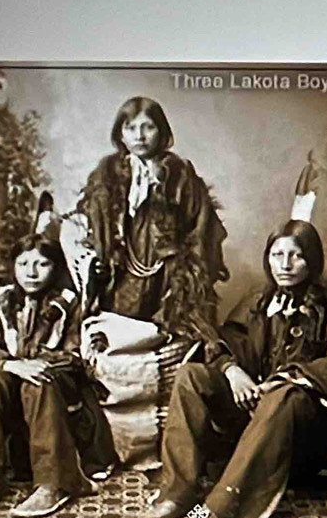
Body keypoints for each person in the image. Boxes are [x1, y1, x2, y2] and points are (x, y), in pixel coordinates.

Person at [141, 221, 327, 518]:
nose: (284, 265)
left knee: (284, 396)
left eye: (296, 255)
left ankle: (218, 511)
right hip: (253, 408)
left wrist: (287, 379)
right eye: (277, 254)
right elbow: (222, 344)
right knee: (192, 375)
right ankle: (179, 491)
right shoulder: (256, 301)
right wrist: (232, 371)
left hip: (303, 423)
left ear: (312, 259)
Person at [0, 235, 115, 518]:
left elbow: (74, 355)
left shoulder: (68, 301)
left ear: (55, 268)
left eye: (42, 264)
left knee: (37, 381)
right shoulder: (1, 298)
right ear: (13, 266)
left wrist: (35, 363)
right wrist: (12, 365)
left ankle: (53, 483)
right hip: (13, 375)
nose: (31, 272)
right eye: (24, 263)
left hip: (57, 380)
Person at [77, 96, 228, 353]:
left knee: (175, 342)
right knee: (118, 349)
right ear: (120, 134)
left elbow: (202, 228)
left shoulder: (181, 175)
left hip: (168, 277)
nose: (140, 136)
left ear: (162, 131)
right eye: (131, 128)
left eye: (148, 127)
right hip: (122, 278)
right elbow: (92, 229)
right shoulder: (106, 176)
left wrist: (186, 272)